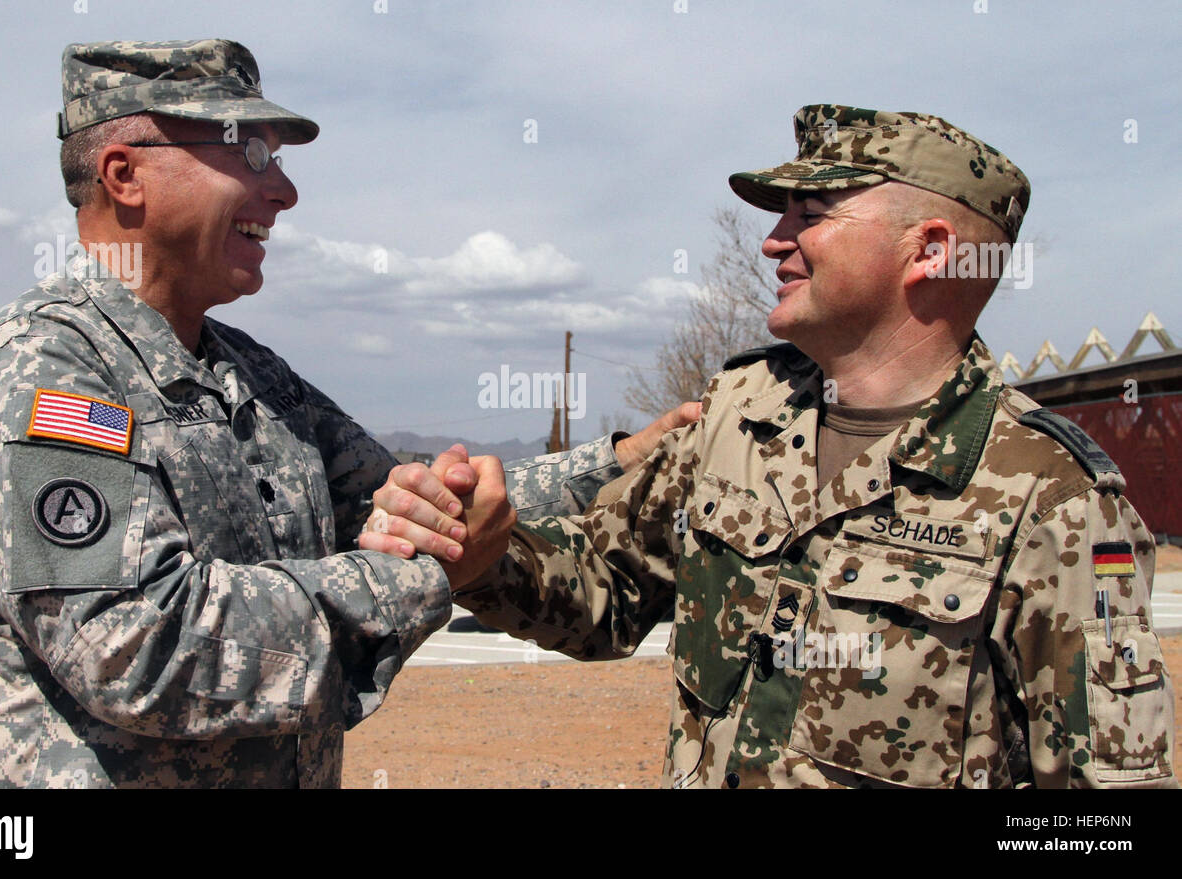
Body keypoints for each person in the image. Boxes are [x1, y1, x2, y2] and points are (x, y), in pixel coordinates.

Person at [0, 38, 691, 789]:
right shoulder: (39, 371)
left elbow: (411, 497)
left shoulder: (253, 376)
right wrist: (426, 574)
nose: (283, 190)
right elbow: (141, 646)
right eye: (248, 152)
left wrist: (617, 460)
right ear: (123, 174)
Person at [372, 105, 1177, 788]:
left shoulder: (1055, 497)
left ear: (930, 250)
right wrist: (485, 555)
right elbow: (604, 592)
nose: (773, 241)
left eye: (810, 213)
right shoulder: (738, 411)